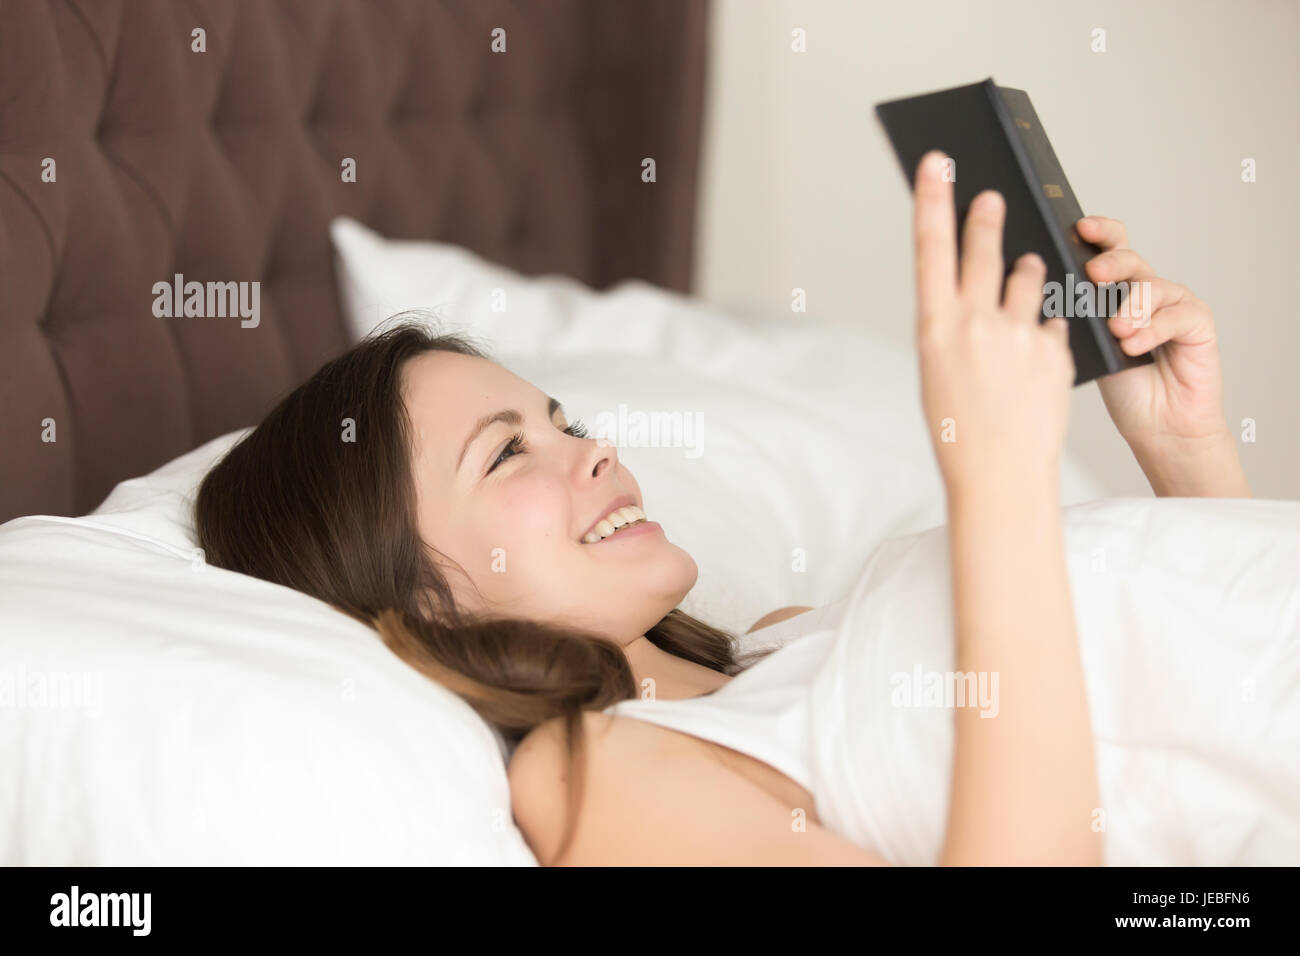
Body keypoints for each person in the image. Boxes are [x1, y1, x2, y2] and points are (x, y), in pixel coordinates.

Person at [194, 148, 1251, 865]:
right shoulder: (589, 770)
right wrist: (1000, 486)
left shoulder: (785, 645)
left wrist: (1182, 455)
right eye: (509, 451)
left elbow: (1200, 716)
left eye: (561, 418)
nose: (594, 447)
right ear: (413, 590)